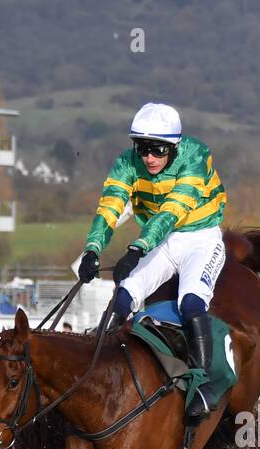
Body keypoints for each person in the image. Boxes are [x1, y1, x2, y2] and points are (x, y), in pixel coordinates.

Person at [75, 102, 228, 422]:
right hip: (161, 240)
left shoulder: (195, 155)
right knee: (125, 293)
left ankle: (201, 384)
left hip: (201, 238)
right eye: (142, 148)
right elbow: (109, 209)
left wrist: (136, 248)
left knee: (190, 303)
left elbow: (172, 211)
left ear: (174, 146)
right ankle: (97, 366)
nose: (149, 158)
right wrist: (92, 250)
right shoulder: (126, 164)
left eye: (158, 149)